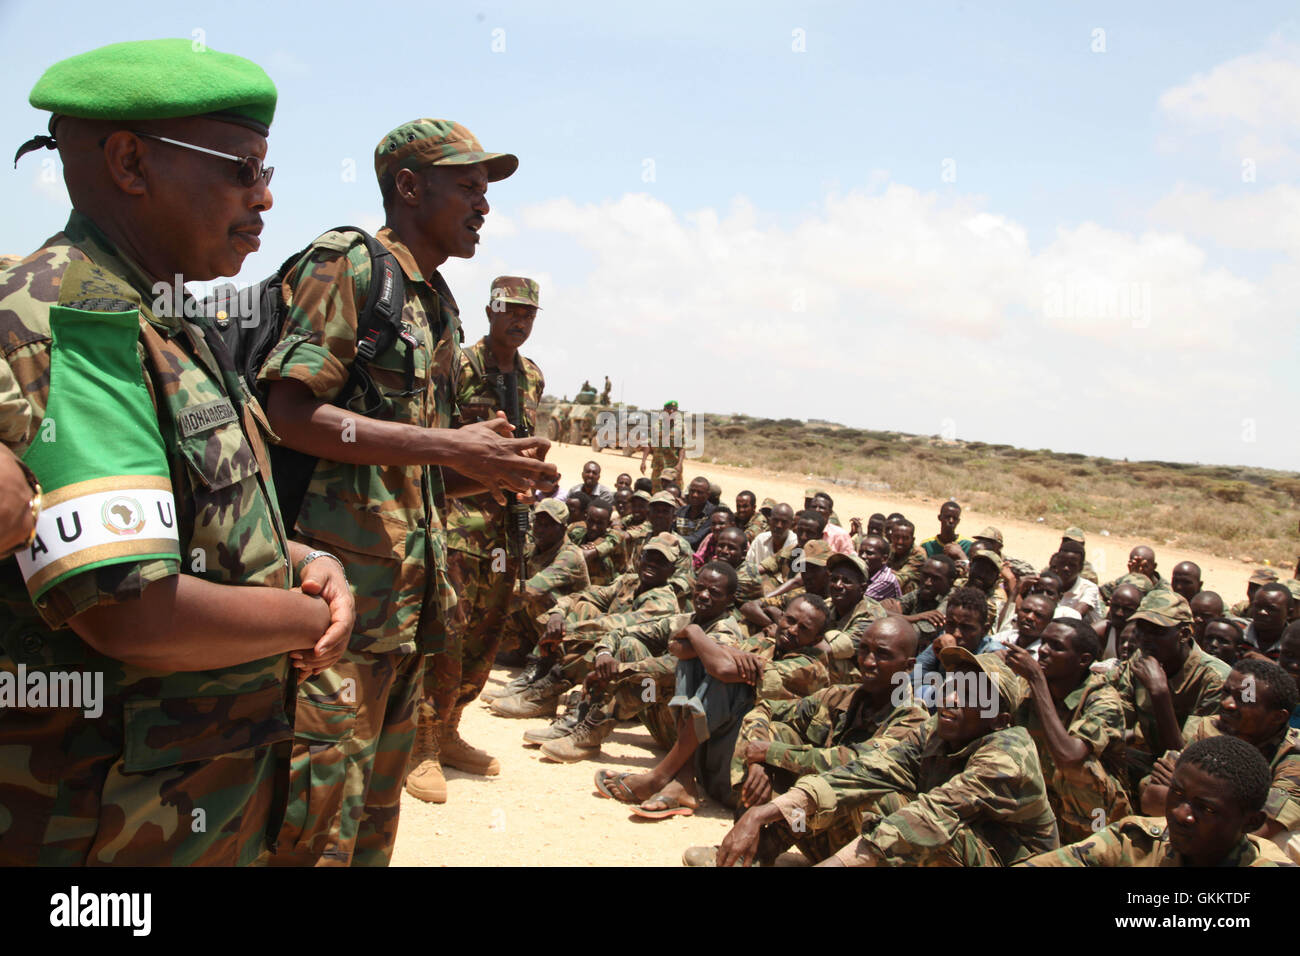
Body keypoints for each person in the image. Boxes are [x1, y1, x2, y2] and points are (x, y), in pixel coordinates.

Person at [0, 39, 355, 865]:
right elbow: (136, 615)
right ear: (130, 162)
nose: (265, 198)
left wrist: (299, 556)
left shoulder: (160, 320)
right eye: (242, 169)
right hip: (103, 827)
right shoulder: (78, 321)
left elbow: (184, 517)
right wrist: (313, 617)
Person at [258, 118, 555, 866]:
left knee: (369, 833)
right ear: (410, 187)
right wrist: (444, 444)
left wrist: (488, 470)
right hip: (333, 617)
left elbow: (413, 473)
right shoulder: (350, 266)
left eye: (486, 192)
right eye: (467, 188)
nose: (483, 207)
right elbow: (287, 411)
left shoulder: (439, 305)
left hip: (406, 616)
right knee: (310, 826)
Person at [719, 648, 1059, 866]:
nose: (952, 698)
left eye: (972, 695)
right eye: (954, 685)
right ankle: (752, 853)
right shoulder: (934, 731)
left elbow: (933, 814)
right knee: (869, 792)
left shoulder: (1009, 753)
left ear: (999, 720)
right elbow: (864, 772)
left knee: (903, 814)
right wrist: (761, 815)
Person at [409, 275, 547, 802]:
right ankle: (421, 743)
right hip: (458, 519)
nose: (519, 322)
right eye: (511, 311)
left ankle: (450, 731)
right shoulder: (460, 363)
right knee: (447, 631)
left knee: (487, 633)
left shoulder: (532, 376)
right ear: (489, 311)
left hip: (506, 527)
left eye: (528, 315)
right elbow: (436, 437)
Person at [685, 617, 927, 866]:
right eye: (864, 649)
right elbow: (766, 708)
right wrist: (759, 764)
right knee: (777, 732)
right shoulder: (840, 696)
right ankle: (752, 851)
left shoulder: (913, 721)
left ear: (908, 666)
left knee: (870, 791)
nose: (867, 661)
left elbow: (855, 765)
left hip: (865, 849)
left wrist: (771, 753)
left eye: (882, 655)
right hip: (815, 830)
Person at [593, 586, 830, 818]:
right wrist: (720, 648)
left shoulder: (811, 668)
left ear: (816, 638)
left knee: (728, 682)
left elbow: (723, 670)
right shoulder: (764, 645)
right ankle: (683, 781)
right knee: (692, 663)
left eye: (804, 629)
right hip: (715, 764)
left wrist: (696, 632)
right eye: (789, 620)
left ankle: (660, 776)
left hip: (752, 777)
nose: (792, 629)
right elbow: (677, 648)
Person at [1022, 736, 1293, 866]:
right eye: (1176, 793)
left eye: (1206, 808)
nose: (1180, 814)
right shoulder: (1135, 839)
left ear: (1251, 822)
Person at [489, 536, 681, 718]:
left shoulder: (663, 602)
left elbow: (615, 626)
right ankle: (540, 674)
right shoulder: (630, 582)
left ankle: (549, 687)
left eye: (661, 561)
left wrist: (565, 633)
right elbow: (583, 595)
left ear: (672, 570)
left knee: (612, 639)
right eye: (650, 557)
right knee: (584, 608)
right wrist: (557, 615)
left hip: (637, 688)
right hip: (608, 668)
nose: (653, 564)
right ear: (640, 558)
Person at [1139, 659, 1298, 845]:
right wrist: (1215, 808)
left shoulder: (1293, 755)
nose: (1227, 704)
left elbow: (1258, 831)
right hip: (1205, 838)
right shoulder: (1211, 727)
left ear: (1277, 717)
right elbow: (1150, 798)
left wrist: (1185, 794)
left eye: (1245, 699)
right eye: (1227, 693)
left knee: (1287, 841)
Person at [1004, 619, 1131, 842]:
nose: (1042, 650)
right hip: (1043, 803)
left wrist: (1036, 679)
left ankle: (1093, 848)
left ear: (1083, 660)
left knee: (1079, 768)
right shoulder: (1027, 686)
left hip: (1097, 816)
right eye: (1043, 642)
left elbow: (1069, 756)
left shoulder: (1103, 699)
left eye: (1056, 646)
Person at [1104, 589, 1227, 792]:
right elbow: (1114, 716)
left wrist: (1159, 692)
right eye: (1141, 629)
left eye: (1157, 632)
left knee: (1153, 788)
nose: (1144, 639)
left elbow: (1187, 758)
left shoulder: (1214, 679)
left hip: (1199, 777)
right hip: (1152, 759)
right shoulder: (1141, 660)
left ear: (1184, 634)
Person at [887, 555, 958, 653]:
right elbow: (878, 609)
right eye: (925, 575)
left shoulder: (952, 602)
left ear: (951, 582)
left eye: (936, 578)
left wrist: (892, 617)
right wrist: (912, 618)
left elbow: (914, 632)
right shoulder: (922, 592)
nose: (928, 582)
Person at [641, 400, 684, 492]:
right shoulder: (656, 426)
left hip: (673, 467)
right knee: (655, 492)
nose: (672, 411)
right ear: (664, 410)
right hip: (658, 466)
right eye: (669, 409)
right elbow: (649, 444)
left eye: (674, 410)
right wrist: (643, 461)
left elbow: (682, 447)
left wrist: (680, 464)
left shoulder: (680, 427)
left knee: (673, 493)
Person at [1243, 583, 1293, 658]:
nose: (1261, 612)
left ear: (1289, 614)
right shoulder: (1238, 630)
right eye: (1257, 606)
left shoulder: (1295, 643)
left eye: (1271, 609)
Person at [857, 533, 902, 602]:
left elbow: (858, 601)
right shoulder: (864, 572)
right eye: (861, 552)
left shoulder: (886, 580)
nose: (863, 556)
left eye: (869, 553)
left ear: (884, 559)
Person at [675, 476, 716, 548]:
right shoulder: (681, 512)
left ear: (708, 494)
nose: (695, 495)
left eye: (699, 492)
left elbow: (696, 539)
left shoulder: (712, 514)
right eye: (692, 491)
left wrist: (672, 540)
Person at [886, 518, 926, 594]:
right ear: (891, 537)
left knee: (909, 585)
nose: (900, 542)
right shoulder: (888, 549)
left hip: (909, 595)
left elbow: (900, 579)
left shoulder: (918, 554)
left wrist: (885, 573)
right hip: (888, 588)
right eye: (896, 537)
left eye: (905, 538)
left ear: (913, 540)